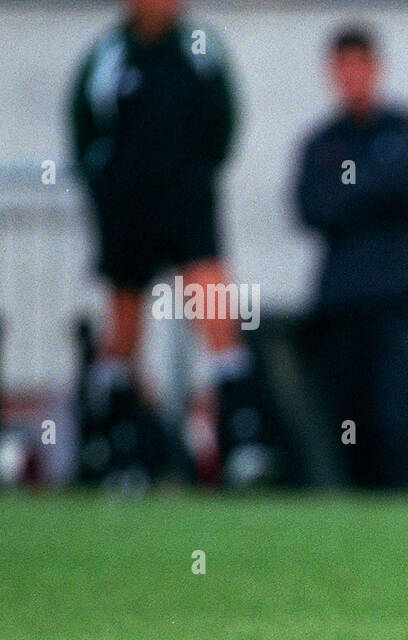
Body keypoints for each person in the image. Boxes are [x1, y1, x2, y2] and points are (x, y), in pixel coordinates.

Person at [68, 0, 268, 487]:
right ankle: (120, 450)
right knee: (123, 329)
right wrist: (108, 185)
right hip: (126, 209)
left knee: (214, 309)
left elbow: (223, 121)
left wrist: (193, 179)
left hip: (186, 204)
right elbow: (84, 130)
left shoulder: (200, 48)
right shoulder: (108, 53)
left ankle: (242, 442)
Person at [294, 25, 408, 488]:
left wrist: (350, 194)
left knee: (399, 411)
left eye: (360, 65)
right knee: (349, 416)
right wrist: (375, 190)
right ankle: (357, 513)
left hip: (399, 298)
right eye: (343, 66)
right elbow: (309, 207)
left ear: (375, 68)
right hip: (342, 302)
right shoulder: (320, 141)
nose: (352, 76)